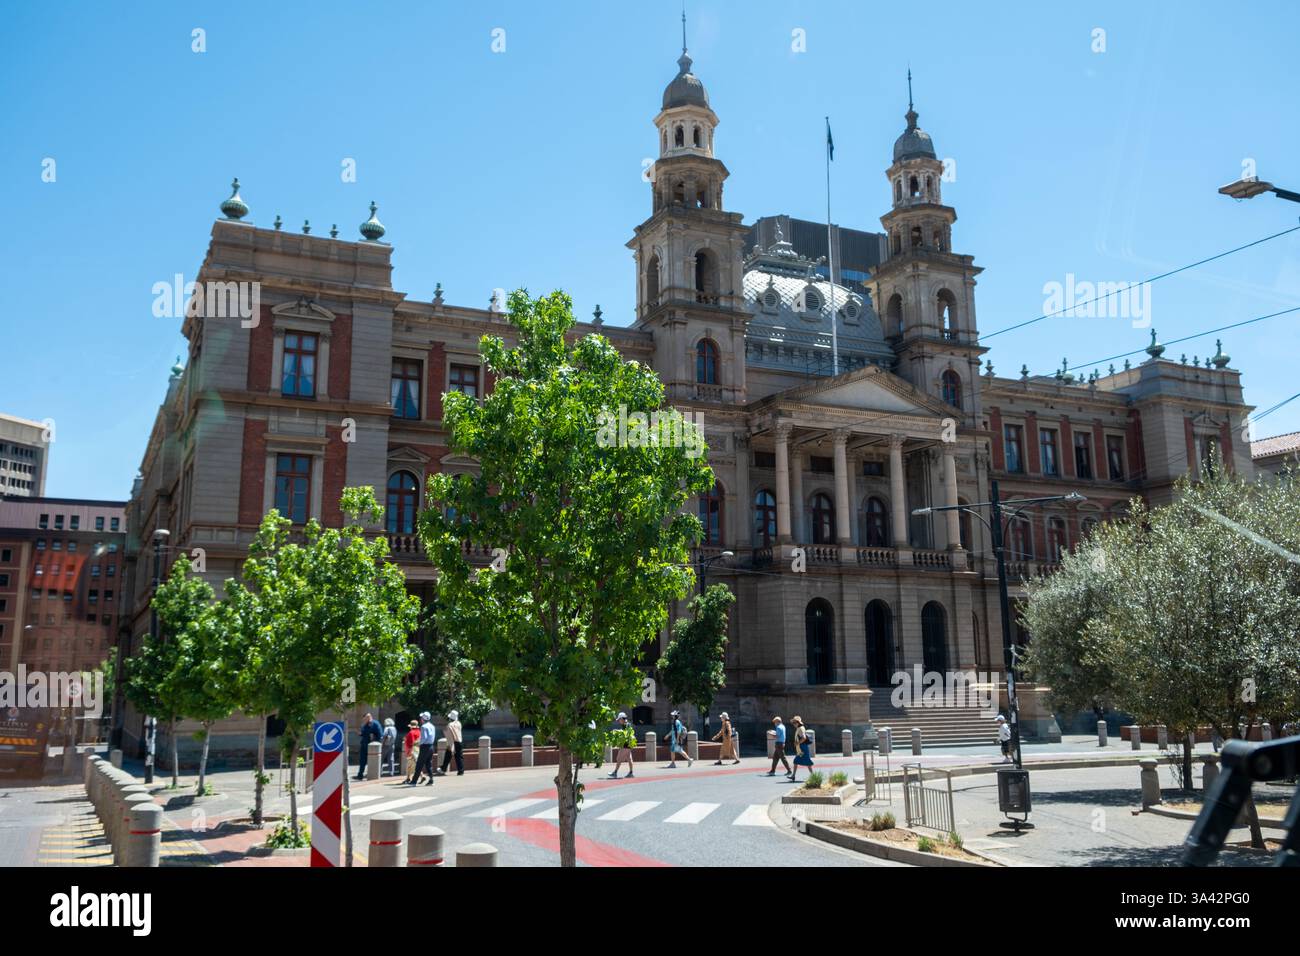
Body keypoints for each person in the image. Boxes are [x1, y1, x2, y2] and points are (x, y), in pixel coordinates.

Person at [410, 711, 437, 786]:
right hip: (431, 746)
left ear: (423, 719)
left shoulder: (424, 727)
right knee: (429, 764)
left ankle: (414, 781)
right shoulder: (432, 726)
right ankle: (431, 780)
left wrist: (419, 743)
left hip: (425, 747)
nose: (420, 719)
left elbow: (424, 738)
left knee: (419, 764)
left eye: (421, 718)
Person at [607, 712, 636, 778]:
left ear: (622, 719)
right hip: (629, 744)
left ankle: (615, 773)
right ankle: (631, 773)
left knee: (619, 758)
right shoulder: (628, 724)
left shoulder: (626, 724)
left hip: (625, 745)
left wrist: (617, 731)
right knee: (629, 758)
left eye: (619, 720)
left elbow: (625, 733)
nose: (618, 721)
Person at [438, 709, 464, 776]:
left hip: (452, 742)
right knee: (459, 757)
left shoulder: (450, 725)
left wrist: (450, 745)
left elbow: (449, 736)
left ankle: (443, 769)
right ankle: (461, 771)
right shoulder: (459, 723)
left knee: (448, 756)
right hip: (459, 742)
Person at [357, 712, 382, 780]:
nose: (365, 720)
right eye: (364, 719)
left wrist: (374, 738)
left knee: (372, 760)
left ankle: (373, 775)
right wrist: (360, 733)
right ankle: (360, 775)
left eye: (366, 718)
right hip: (364, 744)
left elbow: (380, 735)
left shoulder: (375, 724)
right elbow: (363, 732)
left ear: (369, 717)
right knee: (362, 760)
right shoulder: (364, 724)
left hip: (372, 746)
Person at [789, 716, 814, 782]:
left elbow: (804, 738)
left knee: (806, 762)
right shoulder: (799, 728)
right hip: (801, 747)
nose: (793, 724)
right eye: (793, 723)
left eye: (794, 722)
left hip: (803, 748)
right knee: (797, 761)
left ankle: (813, 776)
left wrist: (798, 743)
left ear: (798, 723)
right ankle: (793, 775)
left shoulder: (801, 728)